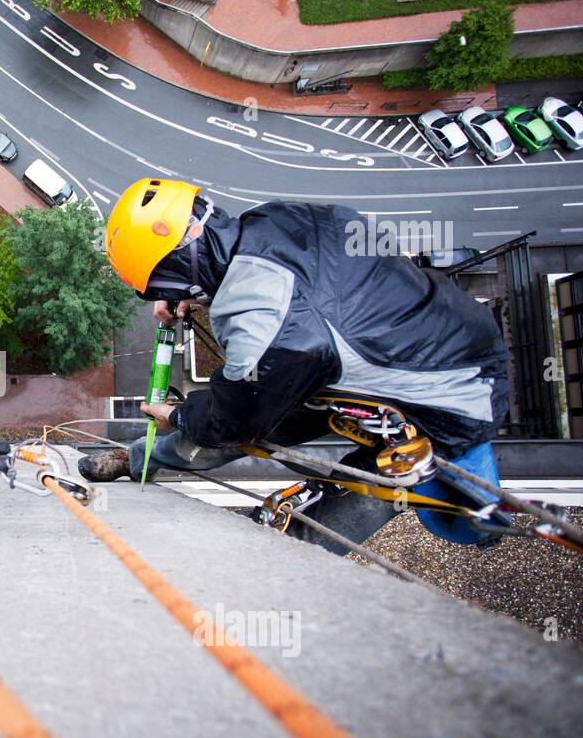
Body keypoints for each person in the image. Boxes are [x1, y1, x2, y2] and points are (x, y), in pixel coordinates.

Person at [81, 178, 510, 549]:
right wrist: (187, 292)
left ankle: (270, 569)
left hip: (446, 407)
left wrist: (177, 413)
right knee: (228, 430)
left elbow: (232, 420)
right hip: (416, 343)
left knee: (313, 529)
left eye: (161, 283)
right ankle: (138, 461)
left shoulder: (267, 331)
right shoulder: (269, 220)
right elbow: (274, 283)